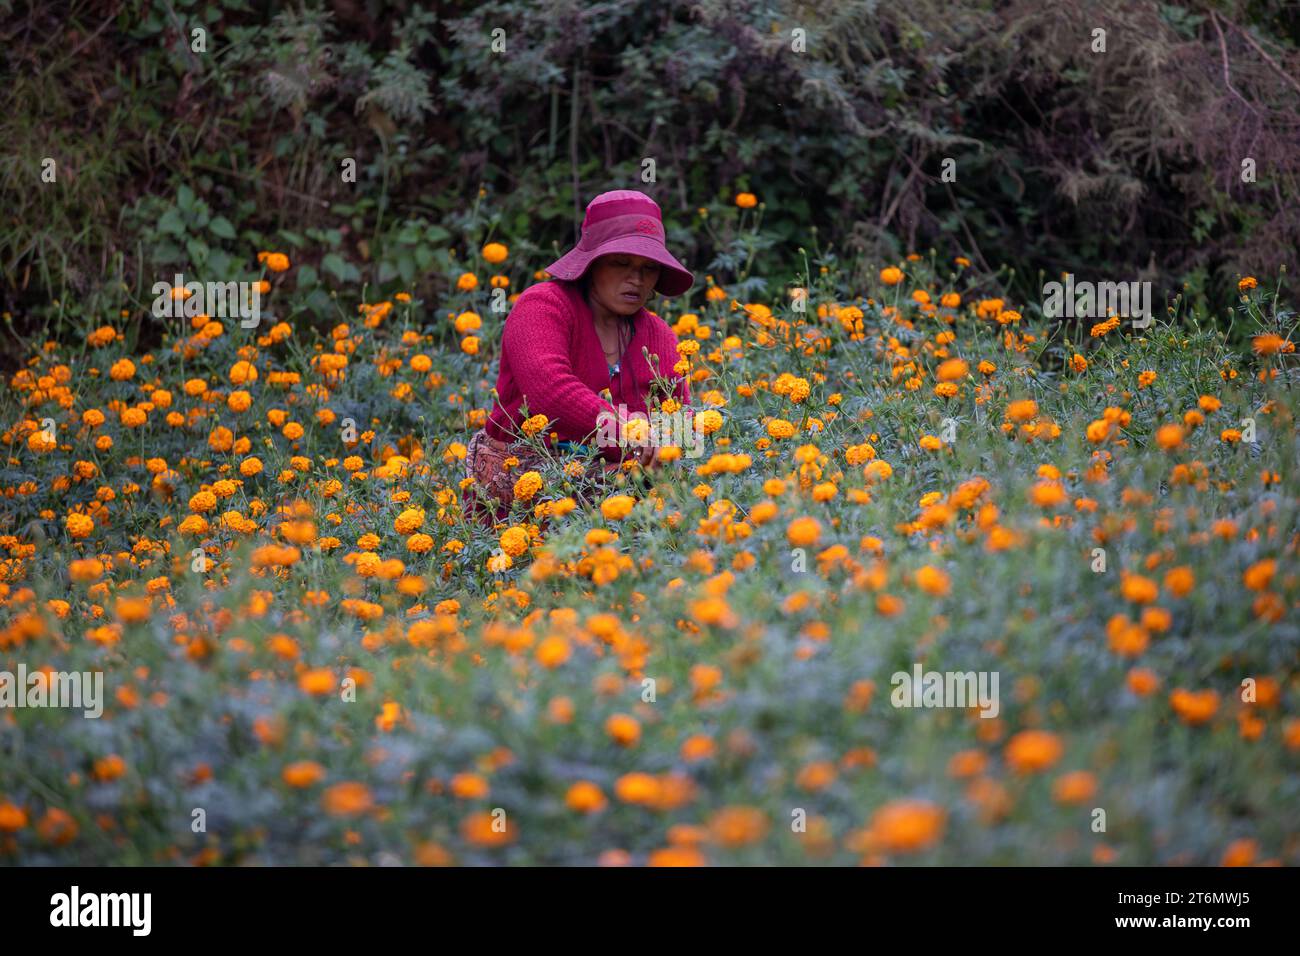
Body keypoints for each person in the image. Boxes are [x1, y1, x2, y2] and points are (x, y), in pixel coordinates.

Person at [463, 189, 695, 523]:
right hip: (519, 510)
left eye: (649, 267)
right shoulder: (542, 307)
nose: (637, 278)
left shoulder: (659, 336)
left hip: (626, 513)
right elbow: (550, 392)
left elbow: (681, 421)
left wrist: (669, 442)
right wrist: (632, 433)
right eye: (621, 262)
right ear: (591, 263)